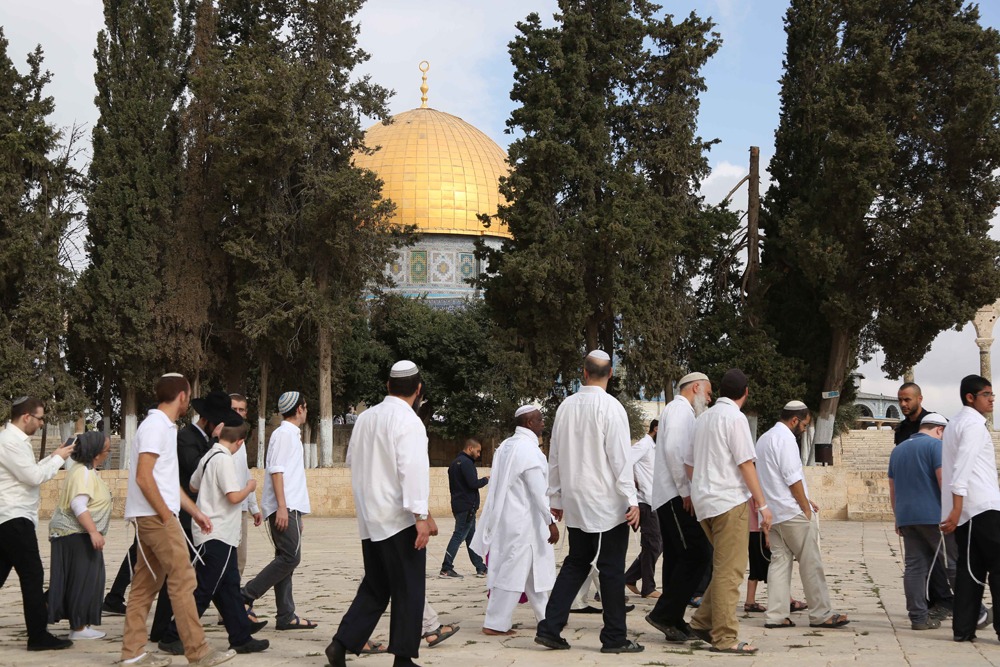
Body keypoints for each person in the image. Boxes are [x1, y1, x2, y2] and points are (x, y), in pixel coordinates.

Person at [119, 373, 234, 667]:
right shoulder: (155, 427)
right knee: (184, 578)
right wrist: (164, 515)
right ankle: (198, 651)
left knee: (145, 585)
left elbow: (168, 483)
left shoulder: (163, 427)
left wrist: (196, 512)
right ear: (183, 396)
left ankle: (132, 653)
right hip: (156, 517)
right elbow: (144, 477)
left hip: (154, 514)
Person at [535, 350, 643, 655]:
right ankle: (614, 637)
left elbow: (553, 457)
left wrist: (556, 496)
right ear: (610, 374)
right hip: (608, 501)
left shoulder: (566, 408)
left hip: (576, 498)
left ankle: (550, 627)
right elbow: (620, 460)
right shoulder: (612, 408)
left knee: (576, 561)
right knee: (610, 567)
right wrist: (632, 500)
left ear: (584, 373)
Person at [327, 360, 431, 667]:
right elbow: (411, 470)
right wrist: (420, 515)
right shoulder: (409, 422)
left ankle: (341, 643)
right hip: (398, 519)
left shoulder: (366, 418)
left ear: (388, 386)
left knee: (376, 585)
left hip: (371, 519)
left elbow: (353, 462)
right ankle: (402, 657)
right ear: (419, 389)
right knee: (409, 588)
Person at [157, 416, 269, 656]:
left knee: (228, 587)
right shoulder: (225, 461)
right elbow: (233, 497)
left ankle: (240, 637)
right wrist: (249, 487)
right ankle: (173, 634)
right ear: (240, 443)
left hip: (216, 534)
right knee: (203, 589)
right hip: (217, 532)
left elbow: (194, 486)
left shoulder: (208, 455)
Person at [685, 369, 772, 655]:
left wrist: (699, 490)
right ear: (745, 393)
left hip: (705, 503)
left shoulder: (703, 418)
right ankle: (724, 636)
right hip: (729, 501)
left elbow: (689, 463)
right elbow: (746, 463)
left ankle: (701, 621)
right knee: (730, 571)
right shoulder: (735, 418)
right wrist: (762, 505)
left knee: (723, 566)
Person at [756, 401, 848, 631]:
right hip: (791, 512)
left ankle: (776, 615)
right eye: (805, 424)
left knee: (779, 562)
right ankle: (821, 613)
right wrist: (805, 508)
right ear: (795, 420)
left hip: (773, 514)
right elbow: (791, 478)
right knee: (810, 562)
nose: (805, 429)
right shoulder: (786, 439)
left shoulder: (764, 438)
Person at [471, 405, 558, 635]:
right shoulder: (528, 450)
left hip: (510, 520)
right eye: (539, 420)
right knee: (512, 572)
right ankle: (495, 623)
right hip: (524, 523)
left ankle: (548, 619)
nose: (542, 424)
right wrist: (550, 521)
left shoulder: (507, 446)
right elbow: (538, 491)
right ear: (529, 423)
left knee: (532, 573)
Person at [0, 396, 76, 651]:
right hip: (14, 518)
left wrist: (54, 456)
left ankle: (38, 635)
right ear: (26, 417)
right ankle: (37, 637)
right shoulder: (9, 442)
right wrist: (58, 459)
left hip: (12, 518)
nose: (42, 424)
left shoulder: (16, 441)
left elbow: (29, 472)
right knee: (33, 575)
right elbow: (32, 477)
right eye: (41, 418)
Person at [645, 372, 713, 643]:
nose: (709, 399)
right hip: (675, 495)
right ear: (696, 387)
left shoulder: (682, 411)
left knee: (677, 558)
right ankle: (664, 614)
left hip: (672, 495)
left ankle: (672, 619)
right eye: (708, 393)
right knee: (698, 553)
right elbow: (675, 451)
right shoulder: (679, 410)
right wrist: (686, 491)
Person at [241, 391, 316, 630]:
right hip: (285, 507)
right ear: (301, 408)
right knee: (290, 558)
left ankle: (285, 614)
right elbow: (277, 471)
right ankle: (245, 595)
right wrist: (283, 508)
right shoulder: (284, 434)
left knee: (284, 558)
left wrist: (297, 514)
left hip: (291, 507)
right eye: (305, 407)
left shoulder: (289, 434)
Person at [940, 374, 1000, 642]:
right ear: (970, 397)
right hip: (981, 507)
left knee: (970, 570)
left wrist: (955, 510)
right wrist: (956, 508)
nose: (992, 399)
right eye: (986, 394)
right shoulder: (974, 424)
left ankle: (963, 629)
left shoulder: (955, 423)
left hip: (967, 512)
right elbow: (961, 468)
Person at [889, 412, 959, 630]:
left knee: (914, 568)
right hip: (934, 517)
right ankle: (977, 612)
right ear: (940, 430)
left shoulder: (898, 450)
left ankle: (918, 617)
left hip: (907, 517)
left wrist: (898, 517)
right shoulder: (936, 447)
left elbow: (893, 488)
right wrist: (953, 512)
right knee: (953, 565)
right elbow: (942, 480)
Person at [48, 431, 113, 640]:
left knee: (83, 579)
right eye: (106, 450)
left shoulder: (86, 471)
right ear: (95, 454)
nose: (108, 453)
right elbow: (78, 504)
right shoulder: (82, 473)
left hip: (77, 534)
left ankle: (79, 624)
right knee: (82, 581)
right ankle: (78, 628)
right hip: (76, 534)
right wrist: (93, 531)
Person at [440, 439, 489, 578]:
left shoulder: (454, 463)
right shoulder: (466, 463)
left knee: (471, 538)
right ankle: (446, 568)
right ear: (470, 448)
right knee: (458, 536)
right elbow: (473, 483)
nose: (479, 454)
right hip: (466, 506)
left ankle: (481, 568)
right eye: (478, 451)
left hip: (459, 505)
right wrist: (486, 479)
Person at [625, 420, 661, 599]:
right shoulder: (644, 445)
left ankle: (629, 578)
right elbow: (625, 462)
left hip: (655, 501)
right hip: (644, 502)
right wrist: (633, 481)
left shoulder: (655, 448)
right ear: (657, 428)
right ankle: (648, 587)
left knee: (654, 545)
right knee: (653, 544)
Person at [228, 395, 262, 582]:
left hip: (240, 509)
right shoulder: (220, 437)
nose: (238, 413)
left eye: (241, 410)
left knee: (240, 561)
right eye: (234, 410)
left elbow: (245, 473)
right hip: (224, 508)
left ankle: (229, 609)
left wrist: (253, 507)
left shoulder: (241, 440)